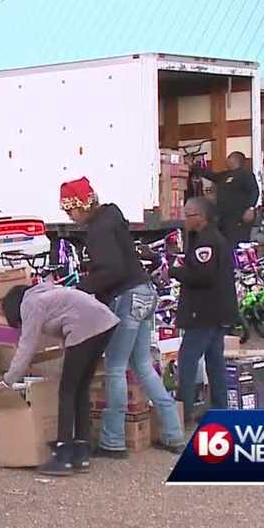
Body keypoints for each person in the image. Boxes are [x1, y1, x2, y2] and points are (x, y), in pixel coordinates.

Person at [60, 177, 185, 457]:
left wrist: (82, 288)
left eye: (70, 211)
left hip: (126, 297)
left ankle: (113, 440)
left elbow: (111, 270)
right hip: (144, 293)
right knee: (142, 364)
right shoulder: (112, 217)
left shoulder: (98, 231)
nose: (69, 216)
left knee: (116, 366)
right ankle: (173, 433)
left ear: (81, 204)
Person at [0, 282, 119, 476]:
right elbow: (63, 328)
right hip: (105, 323)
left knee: (67, 391)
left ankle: (63, 455)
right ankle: (82, 451)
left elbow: (27, 347)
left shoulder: (30, 304)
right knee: (80, 388)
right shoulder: (47, 294)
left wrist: (7, 381)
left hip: (86, 328)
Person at [170, 196, 236, 424]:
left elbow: (202, 275)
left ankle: (182, 412)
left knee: (187, 360)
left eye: (188, 215)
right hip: (218, 310)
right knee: (215, 360)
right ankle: (220, 408)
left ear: (200, 217)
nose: (184, 220)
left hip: (204, 312)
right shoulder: (207, 238)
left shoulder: (207, 242)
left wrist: (174, 271)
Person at [191, 151, 260, 245]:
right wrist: (193, 167)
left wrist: (251, 208)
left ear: (235, 159)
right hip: (224, 217)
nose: (226, 160)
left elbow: (254, 191)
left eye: (228, 158)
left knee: (237, 243)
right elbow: (211, 175)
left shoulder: (245, 175)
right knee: (224, 244)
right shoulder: (225, 175)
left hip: (238, 218)